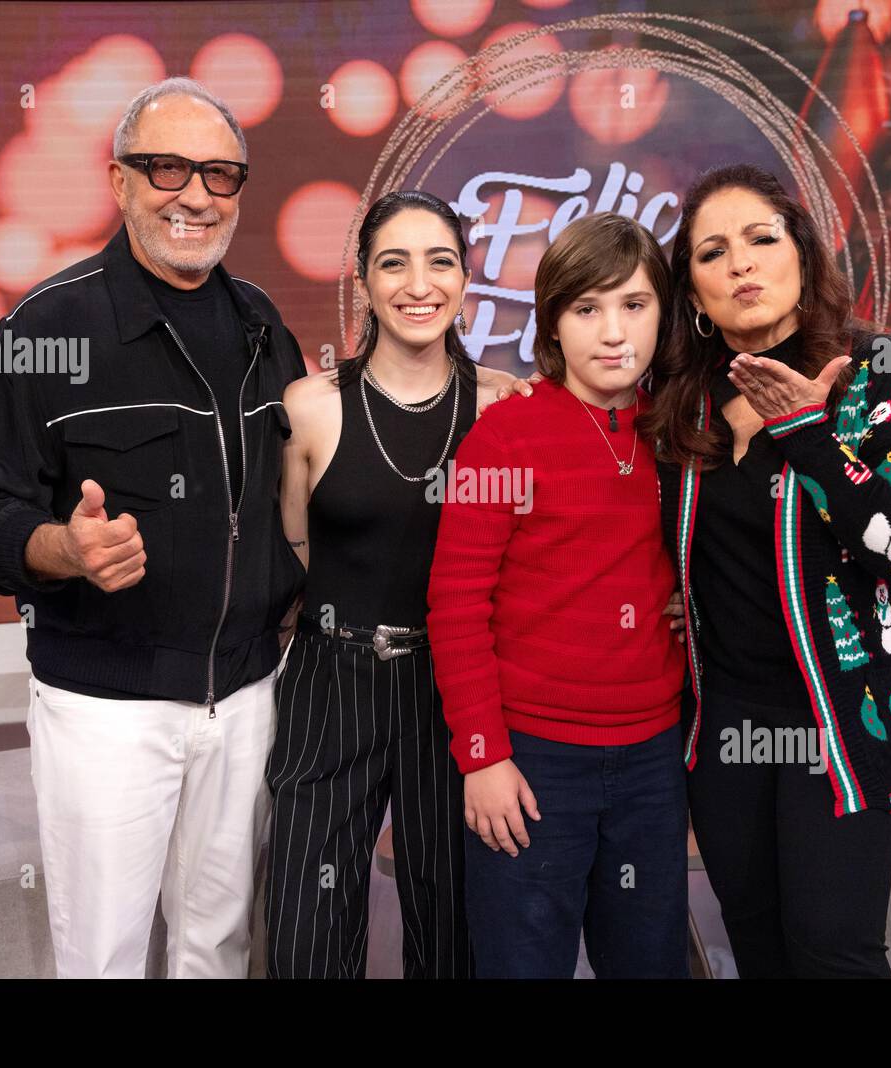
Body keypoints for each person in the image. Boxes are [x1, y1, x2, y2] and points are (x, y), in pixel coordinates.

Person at [0, 78, 306, 978]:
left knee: (215, 950)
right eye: (168, 167)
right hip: (107, 712)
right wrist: (62, 547)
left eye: (220, 174)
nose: (196, 194)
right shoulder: (43, 329)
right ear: (119, 180)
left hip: (248, 698)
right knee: (102, 957)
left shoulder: (264, 328)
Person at [640, 163, 891, 978]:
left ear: (803, 256)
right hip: (726, 722)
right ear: (695, 293)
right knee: (757, 939)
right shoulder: (681, 398)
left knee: (831, 950)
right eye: (712, 253)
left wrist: (810, 432)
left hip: (848, 718)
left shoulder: (878, 370)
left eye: (760, 239)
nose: (740, 263)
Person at [264, 190, 530, 979]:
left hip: (454, 692)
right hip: (328, 684)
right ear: (364, 281)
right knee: (305, 935)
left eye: (440, 261)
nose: (419, 283)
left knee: (453, 932)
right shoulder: (309, 407)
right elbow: (293, 551)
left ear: (466, 278)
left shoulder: (504, 405)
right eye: (394, 262)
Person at [427, 212, 690, 979]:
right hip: (532, 760)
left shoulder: (677, 432)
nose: (613, 332)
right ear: (552, 321)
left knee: (649, 963)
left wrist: (685, 601)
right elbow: (455, 606)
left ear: (662, 315)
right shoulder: (502, 438)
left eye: (634, 306)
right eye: (587, 309)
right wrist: (482, 755)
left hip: (652, 757)